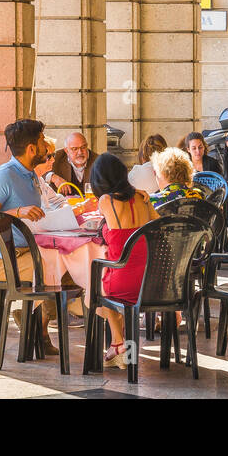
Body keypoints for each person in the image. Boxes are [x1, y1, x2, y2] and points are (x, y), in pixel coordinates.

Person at [0, 118, 59, 354]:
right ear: (31, 148)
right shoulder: (4, 176)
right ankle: (36, 328)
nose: (47, 147)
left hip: (27, 252)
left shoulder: (30, 174)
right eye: (43, 141)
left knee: (62, 260)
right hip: (3, 260)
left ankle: (36, 325)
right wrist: (16, 213)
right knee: (54, 266)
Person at [90, 152, 160, 367]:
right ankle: (119, 347)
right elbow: (159, 225)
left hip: (123, 282)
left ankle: (118, 343)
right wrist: (139, 192)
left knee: (97, 287)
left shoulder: (105, 200)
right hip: (151, 283)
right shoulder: (144, 199)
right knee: (109, 280)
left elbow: (105, 221)